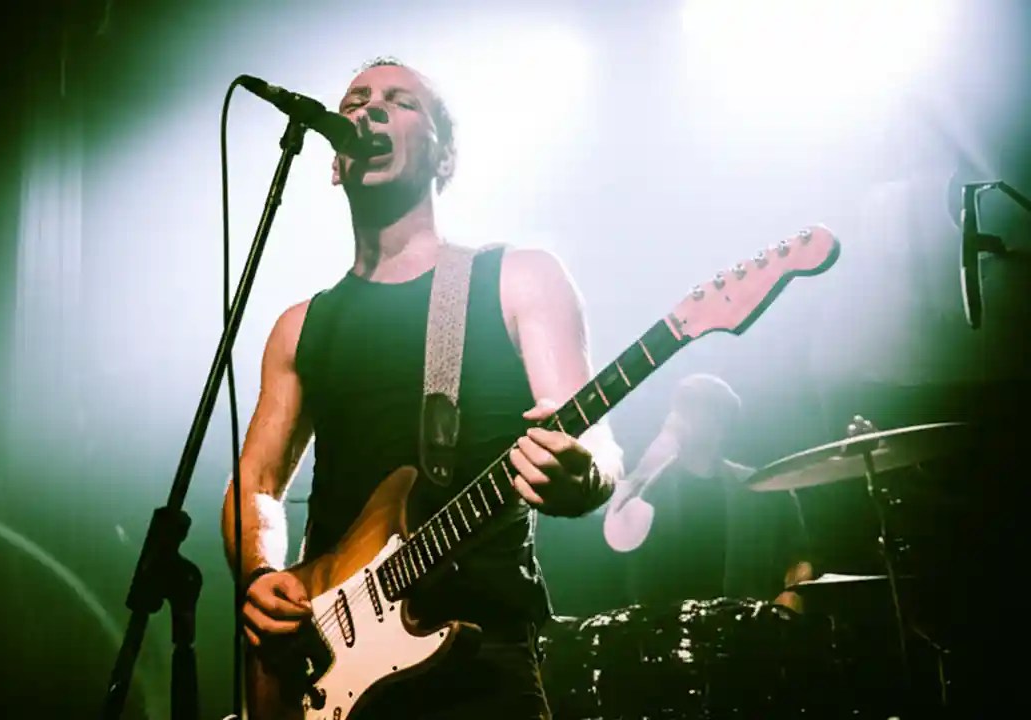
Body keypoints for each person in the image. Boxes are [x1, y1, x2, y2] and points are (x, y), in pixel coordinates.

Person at [220, 56, 624, 719]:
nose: (370, 109)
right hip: (328, 659)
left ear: (445, 157)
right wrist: (263, 575)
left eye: (400, 101)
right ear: (331, 160)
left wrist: (582, 473)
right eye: (356, 99)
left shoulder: (517, 277)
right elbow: (256, 484)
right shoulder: (302, 326)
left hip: (476, 657)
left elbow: (598, 448)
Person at [602, 373, 811, 610]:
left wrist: (792, 595)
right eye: (680, 407)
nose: (680, 418)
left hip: (749, 632)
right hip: (670, 634)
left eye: (693, 407)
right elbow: (623, 564)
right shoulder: (648, 492)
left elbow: (800, 557)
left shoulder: (764, 488)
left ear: (721, 422)